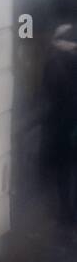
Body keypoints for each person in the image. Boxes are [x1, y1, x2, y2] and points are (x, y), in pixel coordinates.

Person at [41, 24, 77, 232]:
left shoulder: (52, 63)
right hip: (70, 123)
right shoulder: (70, 61)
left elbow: (47, 94)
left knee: (63, 171)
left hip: (60, 126)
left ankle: (65, 212)